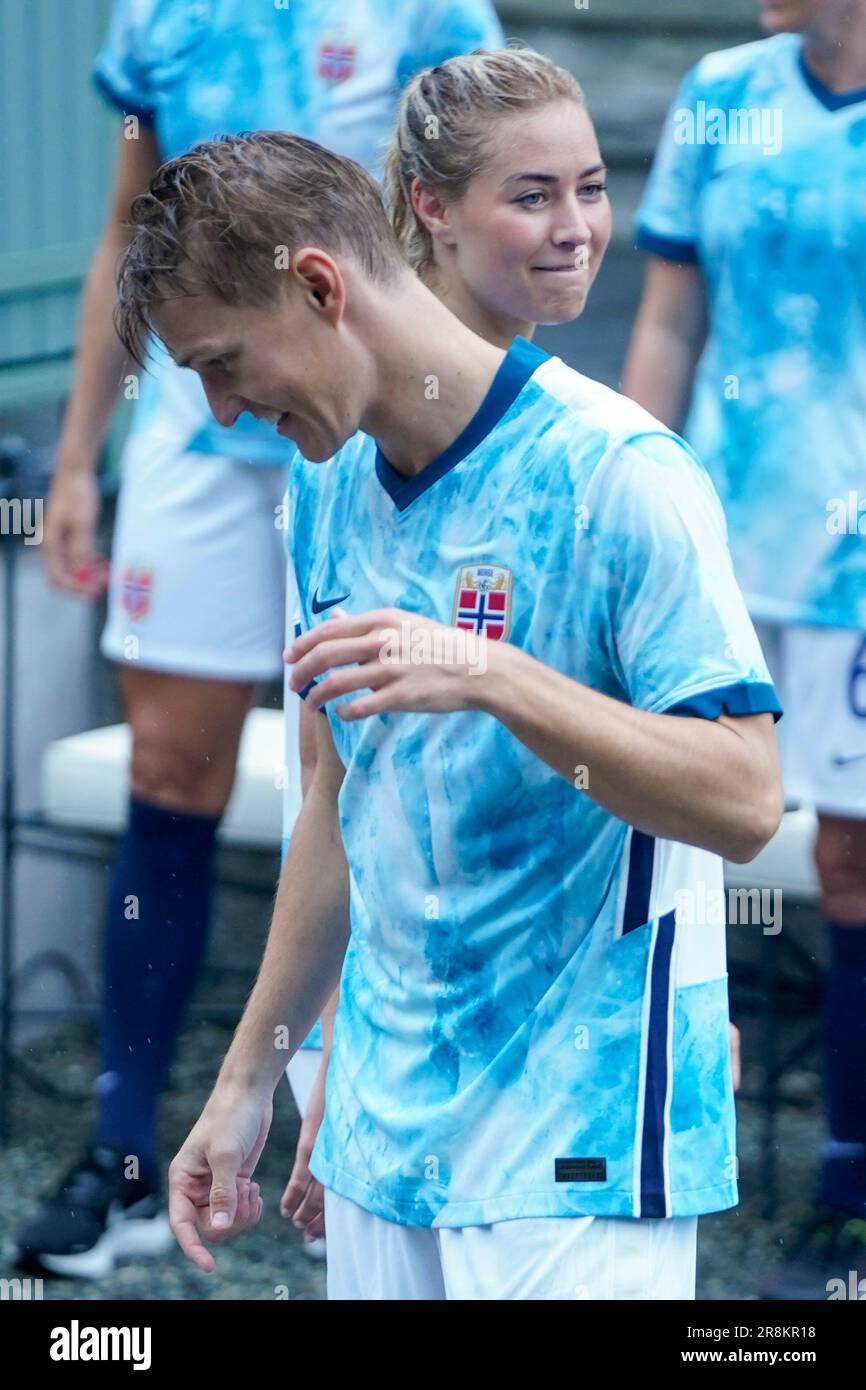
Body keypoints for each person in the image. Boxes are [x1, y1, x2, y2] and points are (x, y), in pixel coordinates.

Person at [114, 126, 783, 1301]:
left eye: (222, 364)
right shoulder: (320, 486)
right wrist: (254, 1079)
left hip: (580, 1144)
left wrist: (492, 674)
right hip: (383, 1136)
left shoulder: (619, 473)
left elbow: (741, 800)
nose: (219, 412)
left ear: (320, 286)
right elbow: (338, 795)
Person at [19, 0, 503, 1280]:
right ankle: (125, 1152)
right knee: (167, 776)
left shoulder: (425, 12)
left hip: (353, 397)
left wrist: (454, 416)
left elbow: (454, 225)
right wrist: (78, 457)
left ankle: (378, 1144)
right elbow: (130, 237)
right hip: (198, 405)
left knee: (359, 765)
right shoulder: (153, 18)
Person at [623, 0, 866, 1300]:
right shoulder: (720, 89)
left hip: (856, 562)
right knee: (674, 834)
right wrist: (625, 500)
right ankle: (655, 1159)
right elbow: (667, 323)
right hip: (718, 538)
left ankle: (844, 1189)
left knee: (847, 859)